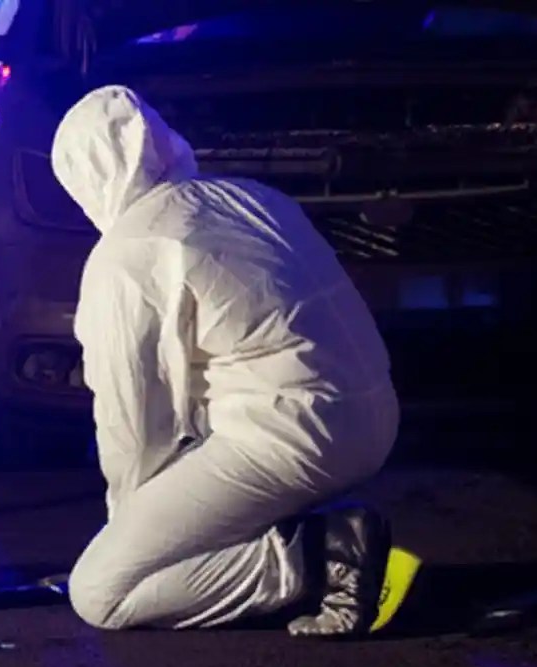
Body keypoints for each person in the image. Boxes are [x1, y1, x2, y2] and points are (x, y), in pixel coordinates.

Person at [52, 85, 401, 636]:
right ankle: (312, 542)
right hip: (375, 418)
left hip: (289, 435)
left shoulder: (127, 253)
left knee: (100, 592)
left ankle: (320, 555)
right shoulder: (251, 197)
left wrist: (131, 537)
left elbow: (132, 418)